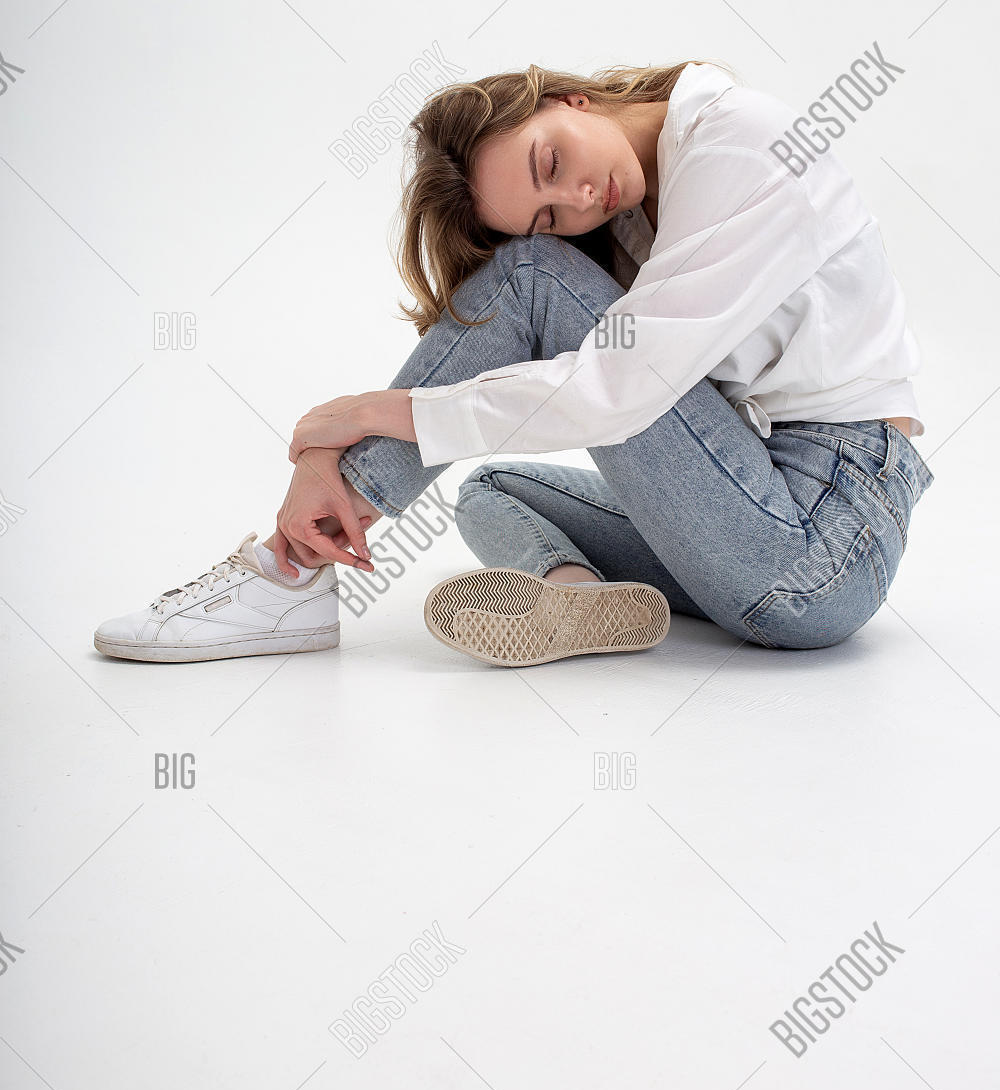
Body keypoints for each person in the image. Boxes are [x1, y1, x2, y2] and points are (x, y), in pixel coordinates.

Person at [94, 59, 933, 667]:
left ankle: (289, 571)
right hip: (762, 538)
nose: (575, 201)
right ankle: (573, 598)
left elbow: (618, 391)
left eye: (550, 161)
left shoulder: (744, 143)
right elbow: (607, 387)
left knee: (534, 283)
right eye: (543, 214)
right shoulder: (647, 213)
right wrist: (356, 434)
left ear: (568, 96)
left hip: (825, 543)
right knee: (492, 490)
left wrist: (367, 415)